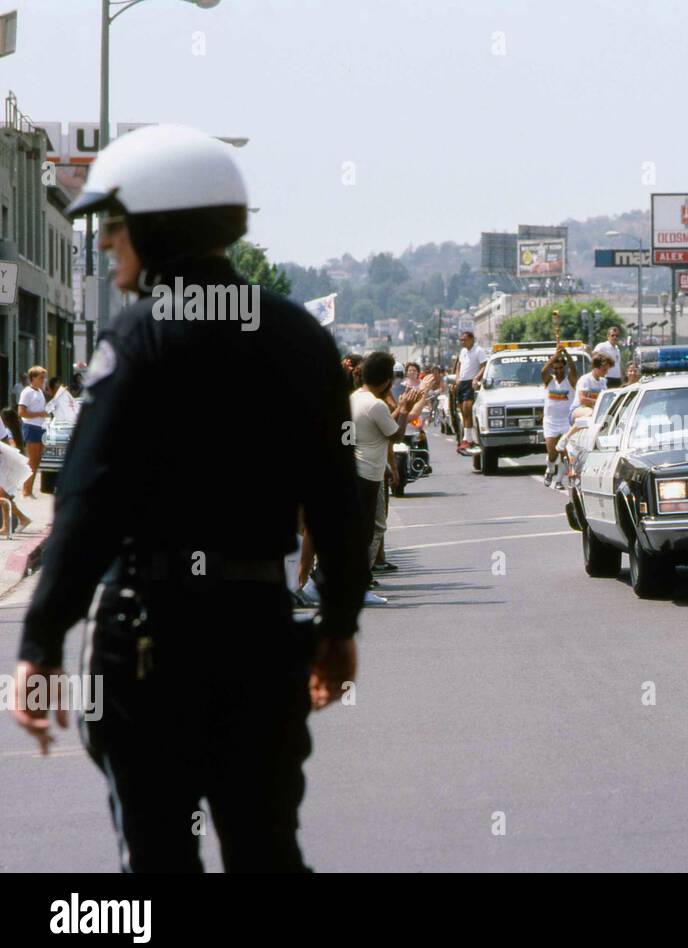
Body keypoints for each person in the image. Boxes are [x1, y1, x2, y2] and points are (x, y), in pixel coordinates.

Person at [11, 124, 369, 872]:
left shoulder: (139, 341)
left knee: (157, 857)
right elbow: (340, 501)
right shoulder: (300, 339)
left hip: (150, 643)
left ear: (158, 228)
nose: (108, 253)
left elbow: (88, 508)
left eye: (115, 230)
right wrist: (339, 624)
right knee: (268, 848)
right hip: (261, 632)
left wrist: (41, 645)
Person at [350, 351, 428, 604]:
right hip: (369, 473)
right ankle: (358, 585)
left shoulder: (353, 399)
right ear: (385, 381)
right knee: (368, 530)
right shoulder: (375, 404)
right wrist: (404, 409)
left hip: (354, 469)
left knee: (360, 530)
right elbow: (395, 435)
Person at [541, 347, 578, 488]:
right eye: (555, 368)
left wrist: (566, 354)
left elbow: (574, 370)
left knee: (564, 452)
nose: (558, 370)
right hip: (550, 421)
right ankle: (550, 469)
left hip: (565, 421)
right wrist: (555, 356)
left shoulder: (570, 380)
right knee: (552, 452)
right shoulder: (549, 380)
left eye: (561, 368)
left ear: (564, 368)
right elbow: (543, 371)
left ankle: (559, 480)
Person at [452, 331, 487, 455]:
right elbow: (459, 366)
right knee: (462, 411)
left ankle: (470, 439)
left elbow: (484, 365)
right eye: (461, 340)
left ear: (471, 339)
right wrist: (457, 378)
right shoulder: (463, 352)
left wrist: (476, 378)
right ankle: (466, 438)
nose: (462, 342)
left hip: (470, 383)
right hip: (461, 383)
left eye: (464, 340)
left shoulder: (479, 350)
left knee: (468, 409)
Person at [17, 366, 50, 498]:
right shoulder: (27, 392)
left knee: (36, 461)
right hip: (31, 427)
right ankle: (26, 490)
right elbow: (21, 412)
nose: (43, 380)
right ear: (33, 378)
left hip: (40, 427)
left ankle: (29, 490)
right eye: (41, 377)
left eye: (44, 377)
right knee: (32, 460)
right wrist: (40, 414)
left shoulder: (40, 391)